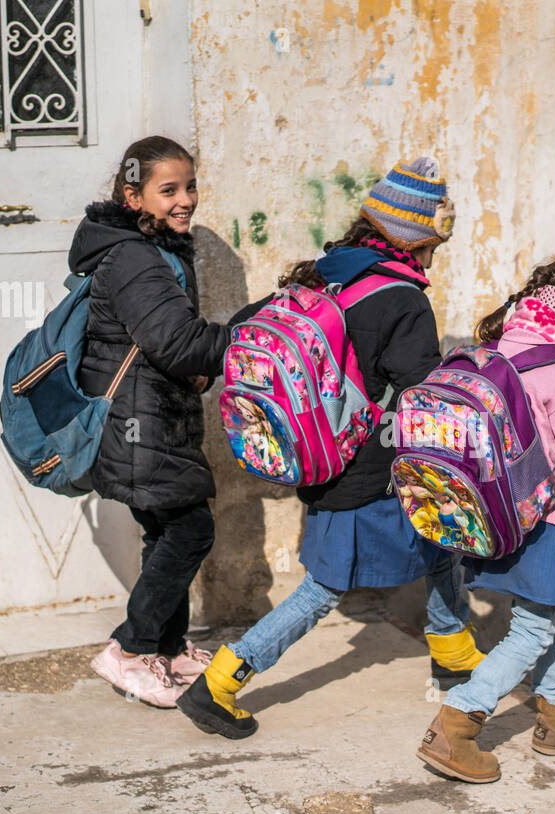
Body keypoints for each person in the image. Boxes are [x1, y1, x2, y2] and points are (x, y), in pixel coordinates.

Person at [177, 157, 485, 738]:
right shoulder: (403, 300)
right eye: (434, 246)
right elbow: (420, 389)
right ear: (416, 239)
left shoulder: (327, 270)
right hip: (365, 468)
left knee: (443, 542)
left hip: (322, 454)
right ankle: (221, 680)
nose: (434, 258)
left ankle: (454, 651)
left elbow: (248, 327)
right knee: (323, 588)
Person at [416, 259, 555, 783]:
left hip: (490, 514)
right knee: (534, 628)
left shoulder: (494, 351)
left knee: (554, 611)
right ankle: (456, 725)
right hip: (543, 516)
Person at [72, 136, 229, 708]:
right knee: (192, 530)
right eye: (169, 190)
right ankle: (131, 650)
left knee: (165, 531)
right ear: (132, 195)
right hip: (141, 423)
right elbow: (177, 341)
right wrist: (253, 337)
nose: (184, 200)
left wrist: (199, 373)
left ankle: (167, 644)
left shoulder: (155, 246)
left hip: (152, 416)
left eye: (189, 187)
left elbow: (168, 348)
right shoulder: (135, 256)